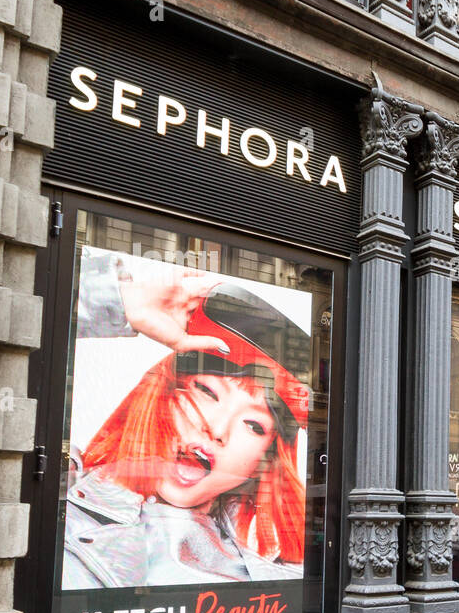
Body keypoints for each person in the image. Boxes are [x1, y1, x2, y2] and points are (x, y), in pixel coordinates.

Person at [64, 251, 310, 588]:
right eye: (207, 392)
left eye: (254, 425)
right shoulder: (59, 500)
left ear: (263, 462)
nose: (217, 429)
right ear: (161, 395)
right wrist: (121, 300)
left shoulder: (282, 573)